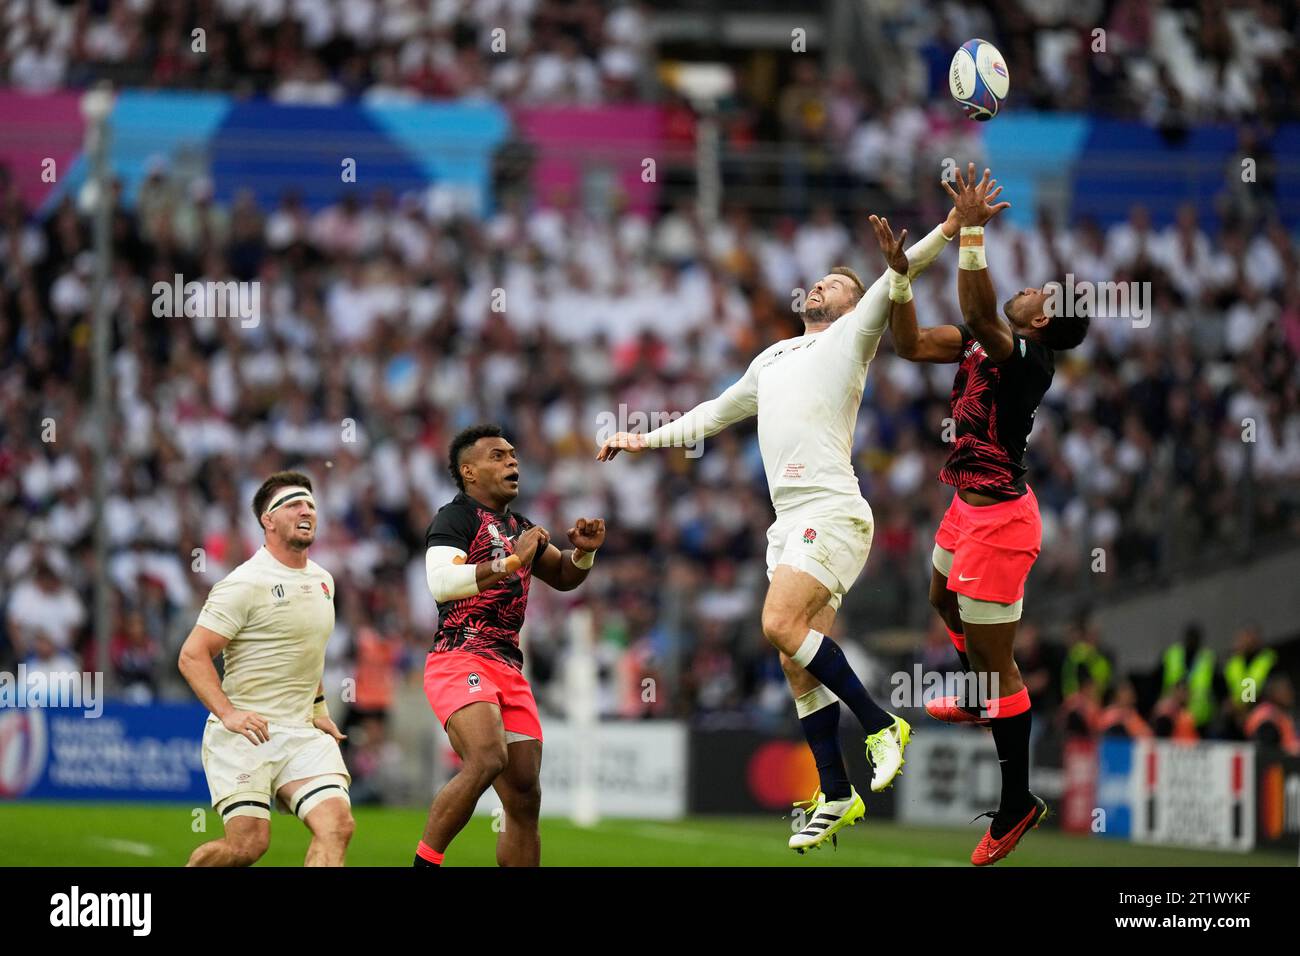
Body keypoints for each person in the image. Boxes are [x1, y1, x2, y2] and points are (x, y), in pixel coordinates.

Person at [597, 206, 962, 852]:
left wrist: (954, 223)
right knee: (797, 661)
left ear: (854, 307)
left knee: (776, 623)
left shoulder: (851, 337)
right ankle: (837, 790)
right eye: (820, 282)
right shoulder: (772, 357)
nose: (821, 287)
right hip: (789, 524)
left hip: (832, 511)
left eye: (837, 286)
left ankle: (882, 725)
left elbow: (905, 270)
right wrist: (642, 438)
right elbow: (712, 414)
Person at [872, 163, 1089, 865]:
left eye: (1038, 294)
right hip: (966, 508)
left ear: (1042, 321)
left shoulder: (1027, 356)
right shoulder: (983, 341)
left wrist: (970, 233)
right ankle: (978, 690)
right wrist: (901, 275)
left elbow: (974, 314)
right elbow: (907, 343)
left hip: (1000, 522)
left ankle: (1018, 802)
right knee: (940, 597)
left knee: (1003, 674)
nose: (1031, 290)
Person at [415, 424, 605, 867]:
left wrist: (585, 554)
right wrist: (512, 560)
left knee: (524, 795)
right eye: (498, 456)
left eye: (513, 455)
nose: (512, 462)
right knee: (487, 758)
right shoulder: (454, 517)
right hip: (460, 655)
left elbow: (561, 577)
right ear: (469, 472)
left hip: (508, 667)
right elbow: (440, 583)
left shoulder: (518, 526)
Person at [179, 472, 354, 867]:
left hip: (301, 733)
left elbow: (306, 652)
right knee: (247, 846)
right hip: (245, 734)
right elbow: (191, 655)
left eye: (310, 503)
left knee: (337, 826)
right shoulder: (243, 583)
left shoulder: (323, 580)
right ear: (267, 520)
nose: (306, 509)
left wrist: (320, 710)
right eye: (293, 503)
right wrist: (229, 714)